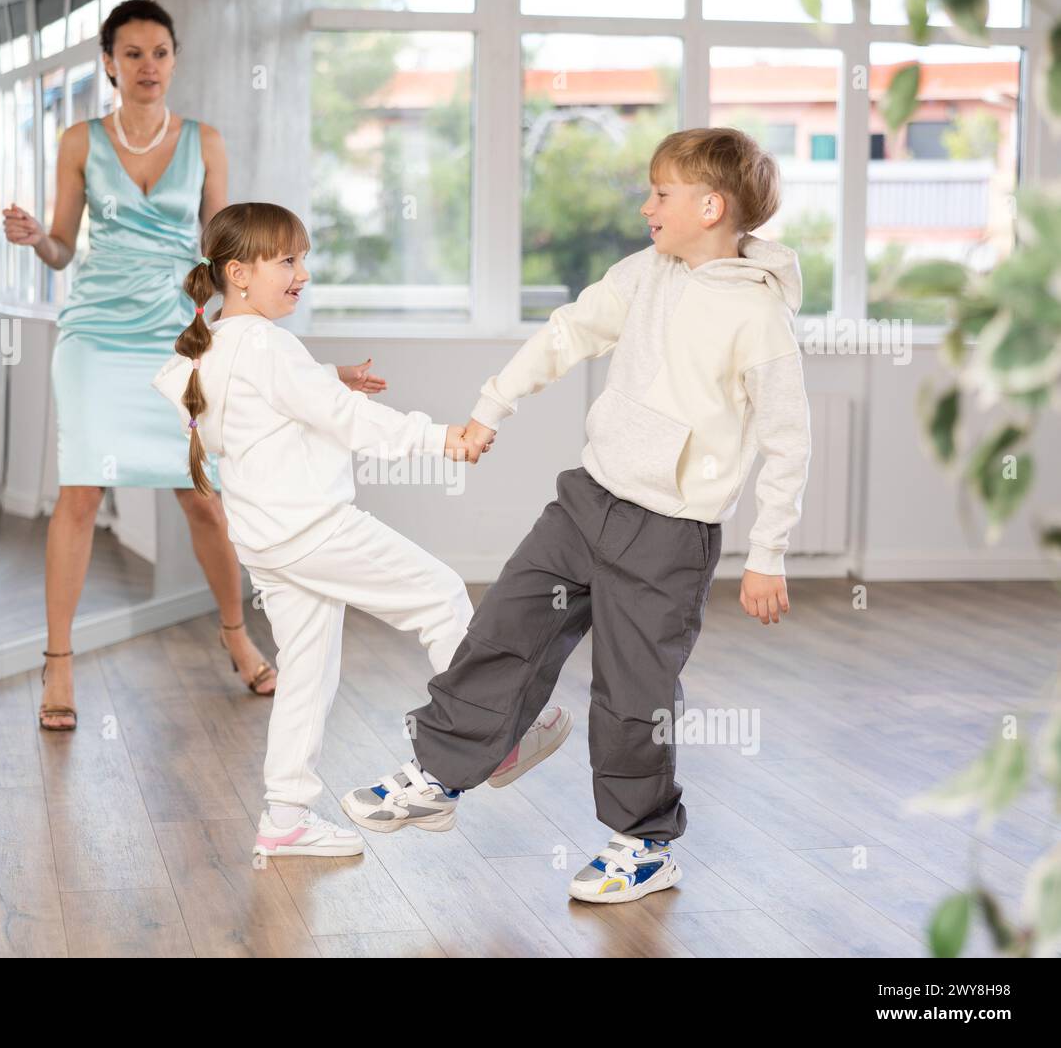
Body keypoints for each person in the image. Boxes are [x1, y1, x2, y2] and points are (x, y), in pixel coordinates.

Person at [342, 127, 812, 904]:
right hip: (587, 502)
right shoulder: (645, 273)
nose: (647, 205)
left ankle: (645, 843)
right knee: (504, 630)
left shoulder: (758, 319)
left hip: (669, 534)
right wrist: (493, 404)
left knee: (635, 694)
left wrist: (769, 552)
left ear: (710, 205)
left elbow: (788, 440)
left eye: (661, 193)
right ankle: (439, 774)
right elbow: (568, 334)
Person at [152, 202, 570, 857]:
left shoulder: (215, 346)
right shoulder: (268, 345)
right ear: (238, 272)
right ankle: (508, 732)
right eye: (287, 260)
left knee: (308, 673)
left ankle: (285, 819)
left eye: (303, 259)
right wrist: (443, 438)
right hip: (314, 530)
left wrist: (332, 374)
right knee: (439, 594)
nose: (303, 274)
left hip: (265, 542)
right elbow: (350, 421)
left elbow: (274, 395)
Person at [2, 0, 279, 727]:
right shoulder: (79, 141)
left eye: (159, 51)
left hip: (174, 336)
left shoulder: (207, 142)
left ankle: (236, 636)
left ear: (175, 59)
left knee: (202, 498)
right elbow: (64, 247)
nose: (147, 65)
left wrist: (239, 329)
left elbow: (223, 256)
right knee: (82, 495)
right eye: (132, 53)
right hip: (95, 337)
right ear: (109, 64)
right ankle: (57, 666)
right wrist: (37, 239)